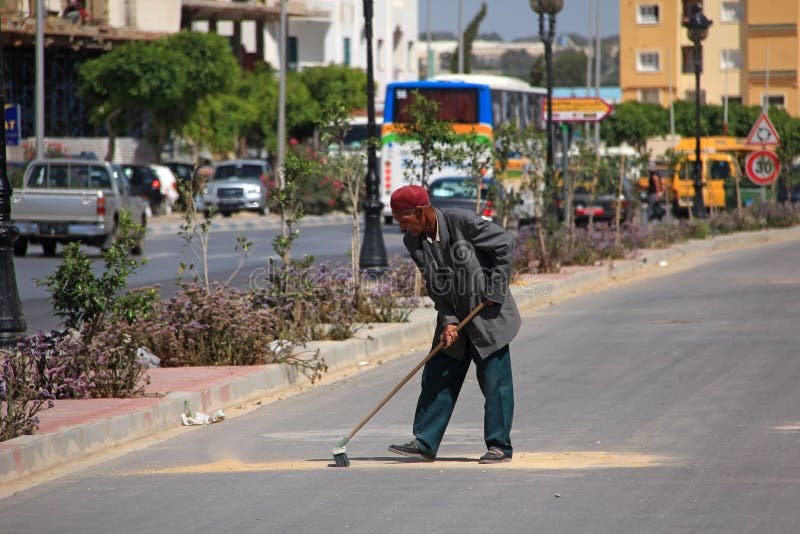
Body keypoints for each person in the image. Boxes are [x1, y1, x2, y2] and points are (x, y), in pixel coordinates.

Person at [387, 184, 521, 464]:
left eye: (404, 219)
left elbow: (505, 243)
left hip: (487, 315)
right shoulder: (414, 241)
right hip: (455, 318)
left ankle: (499, 446)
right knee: (437, 375)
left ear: (422, 212)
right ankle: (425, 442)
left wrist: (495, 290)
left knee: (495, 383)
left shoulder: (463, 222)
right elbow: (435, 286)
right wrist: (447, 320)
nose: (401, 226)